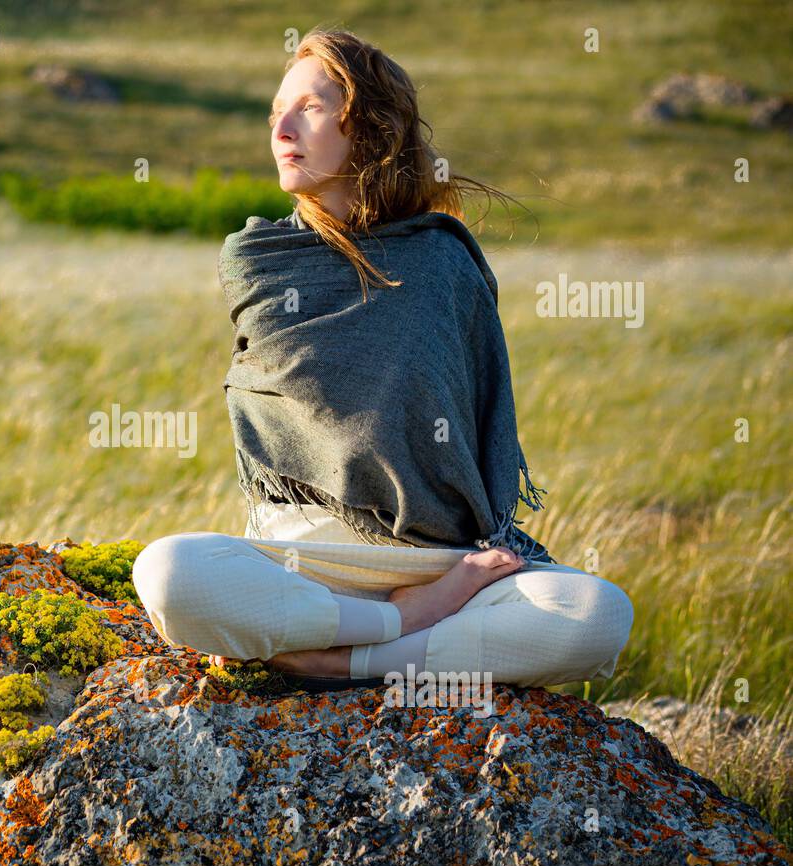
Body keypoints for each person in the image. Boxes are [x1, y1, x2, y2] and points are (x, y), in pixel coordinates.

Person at [131, 29, 633, 690]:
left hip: (442, 564)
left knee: (597, 616)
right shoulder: (258, 259)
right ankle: (396, 631)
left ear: (368, 128)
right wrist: (406, 616)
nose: (280, 127)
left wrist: (440, 586)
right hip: (303, 559)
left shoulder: (442, 260)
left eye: (308, 108)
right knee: (168, 571)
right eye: (274, 112)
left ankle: (337, 658)